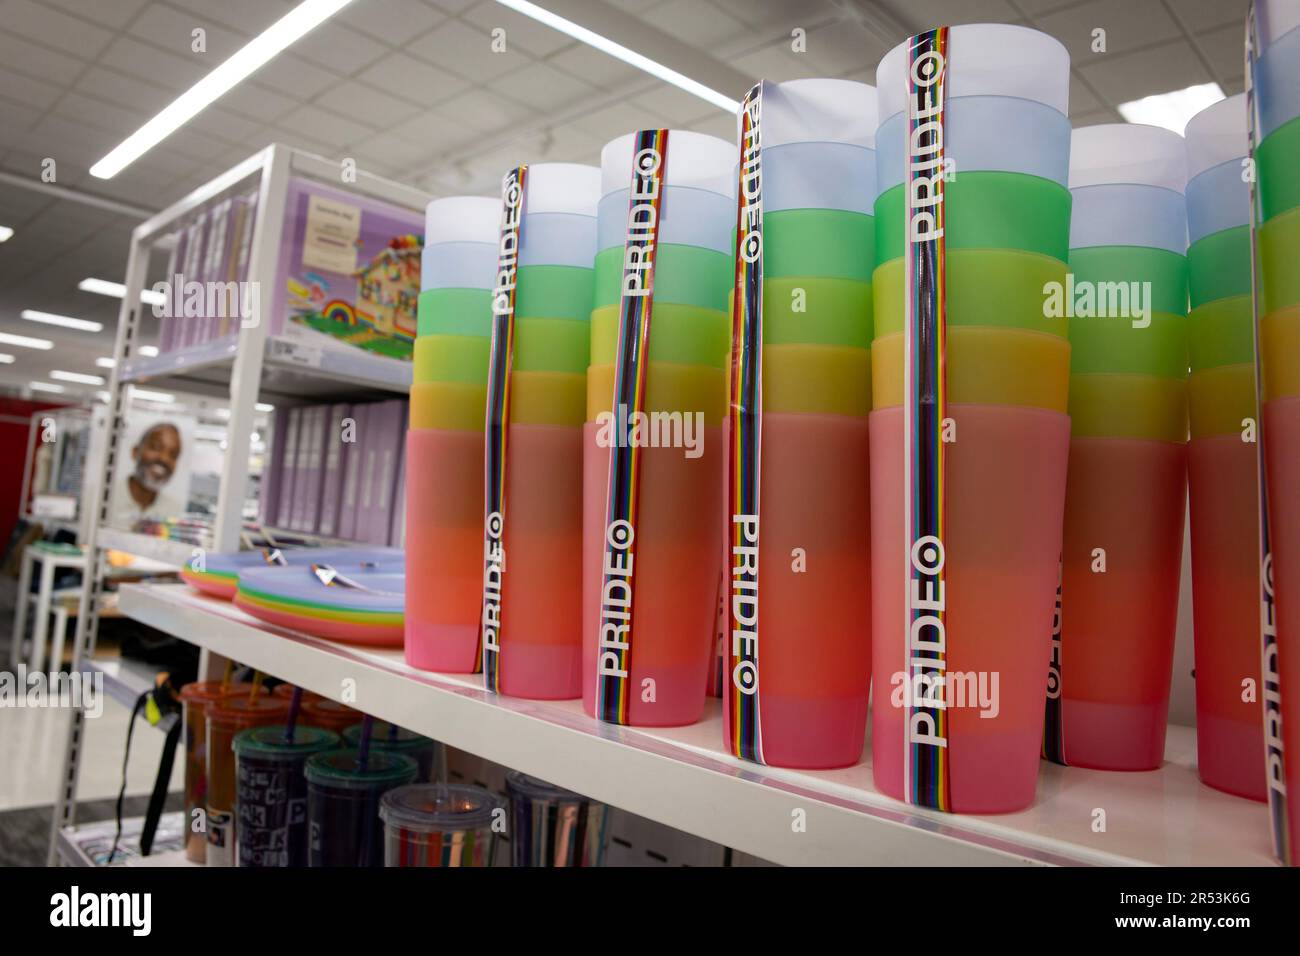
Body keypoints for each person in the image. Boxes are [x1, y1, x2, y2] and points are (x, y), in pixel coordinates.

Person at [110, 421, 185, 529]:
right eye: (156, 447)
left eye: (173, 454)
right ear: (135, 452)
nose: (164, 458)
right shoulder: (103, 498)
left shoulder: (175, 513)